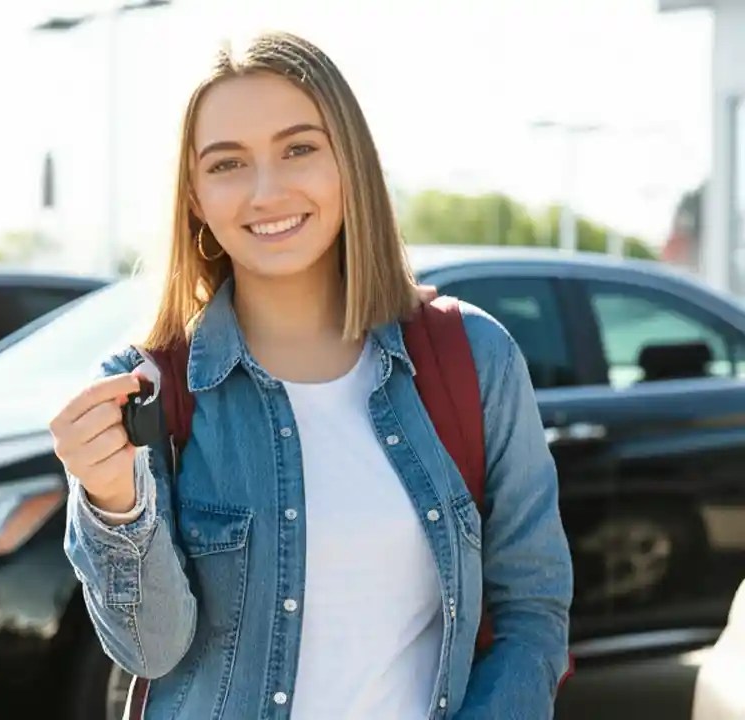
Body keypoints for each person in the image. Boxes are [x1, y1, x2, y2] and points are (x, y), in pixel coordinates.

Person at [49, 30, 572, 719]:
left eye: (299, 149)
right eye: (228, 164)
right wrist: (115, 504)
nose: (267, 191)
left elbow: (532, 613)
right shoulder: (143, 388)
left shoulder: (474, 357)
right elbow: (152, 652)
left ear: (349, 165)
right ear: (197, 198)